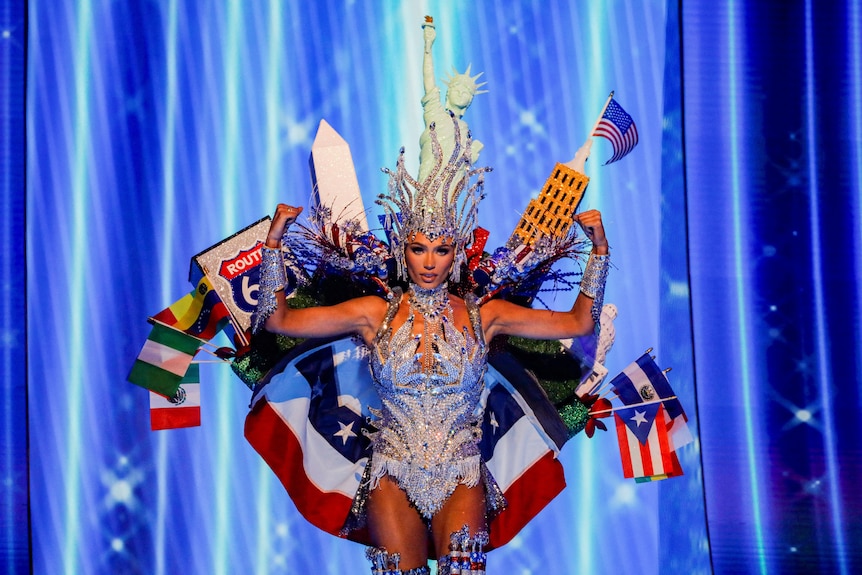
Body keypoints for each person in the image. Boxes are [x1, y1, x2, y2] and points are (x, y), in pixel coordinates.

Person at [252, 195, 608, 573]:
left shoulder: (484, 317)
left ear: (455, 254)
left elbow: (579, 324)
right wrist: (273, 243)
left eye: (442, 250)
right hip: (392, 470)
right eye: (418, 248)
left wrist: (599, 250)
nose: (429, 262)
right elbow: (278, 320)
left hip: (460, 470)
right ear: (402, 250)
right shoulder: (375, 313)